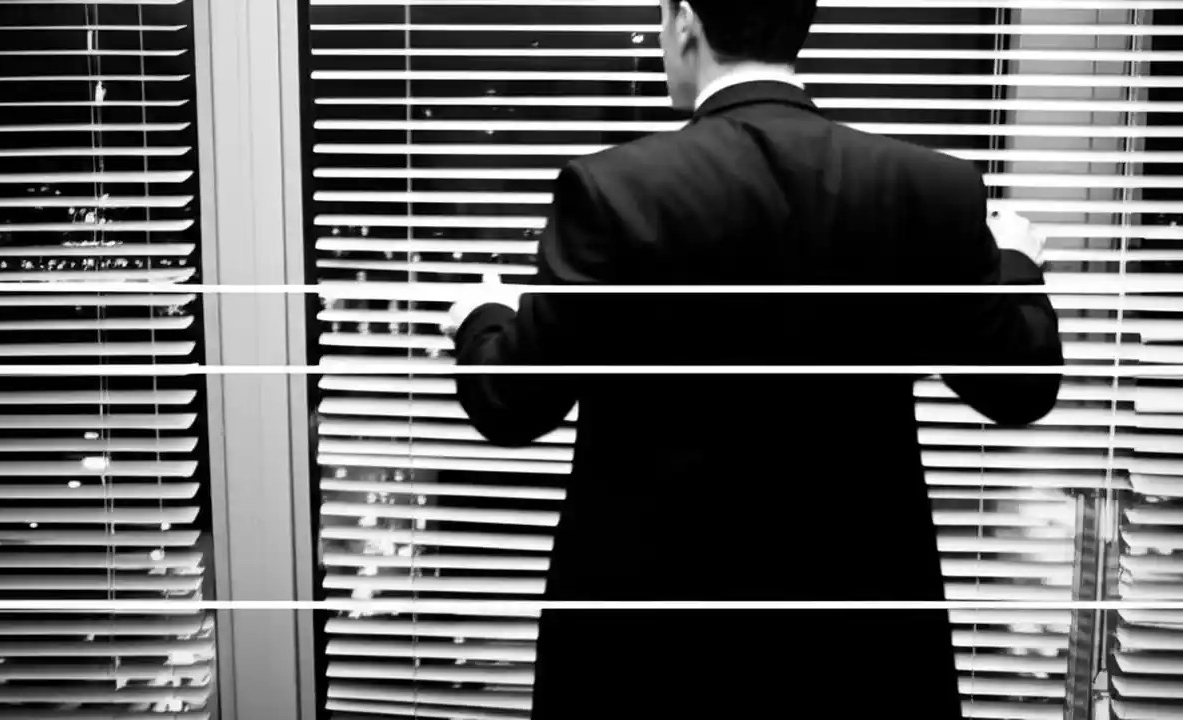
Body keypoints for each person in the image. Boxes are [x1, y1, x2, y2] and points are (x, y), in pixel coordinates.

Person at [444, 1, 1063, 717]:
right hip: (856, 650)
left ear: (685, 22)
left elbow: (512, 401)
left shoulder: (613, 191)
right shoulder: (925, 189)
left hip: (647, 653)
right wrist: (1015, 262)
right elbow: (1018, 385)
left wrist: (479, 317)